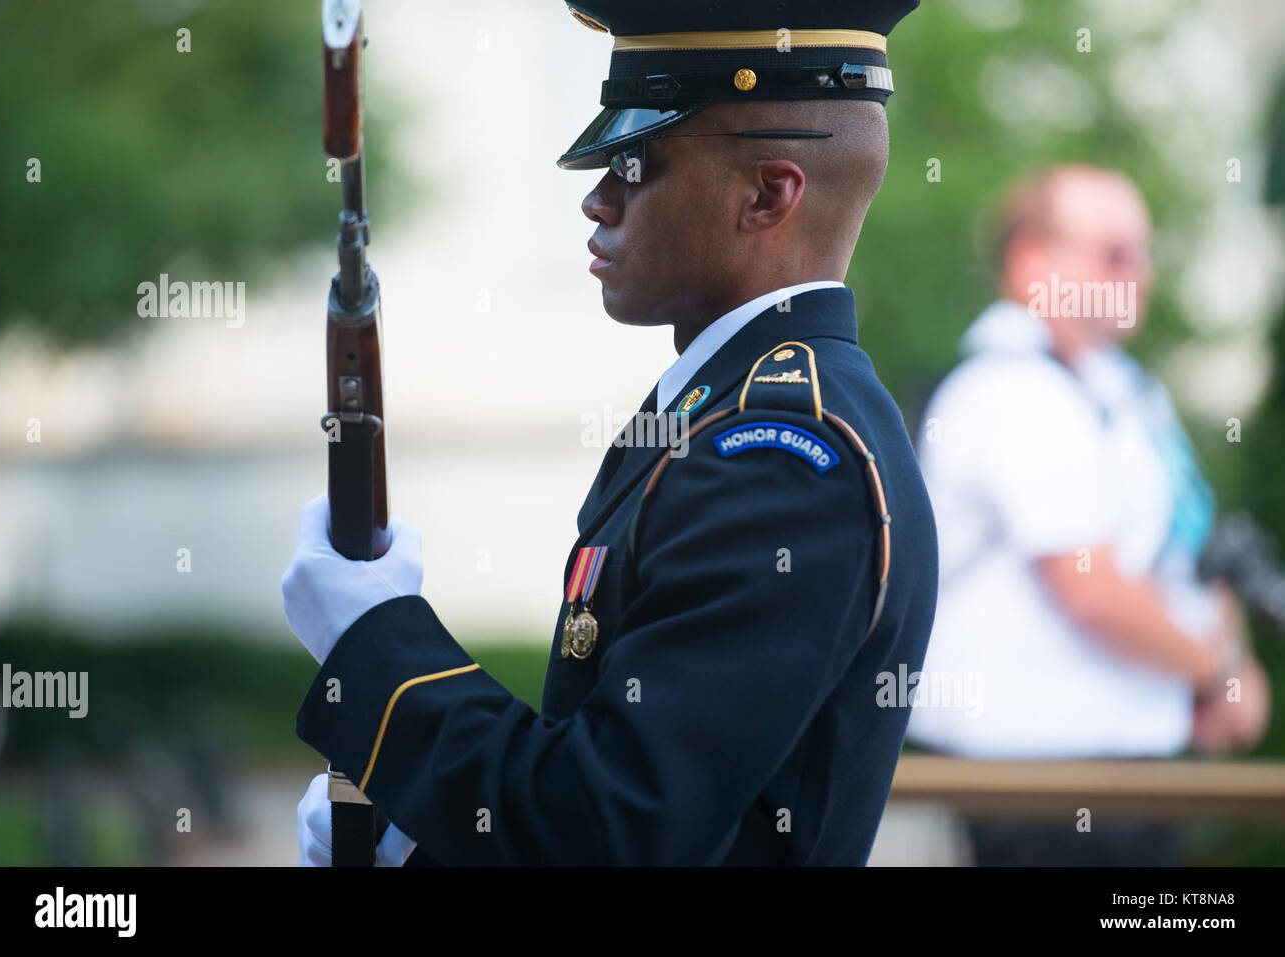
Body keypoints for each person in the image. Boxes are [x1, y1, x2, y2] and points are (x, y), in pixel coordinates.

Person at [285, 0, 938, 866]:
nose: (598, 199)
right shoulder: (727, 411)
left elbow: (609, 829)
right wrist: (418, 841)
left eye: (635, 162)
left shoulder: (781, 455)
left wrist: (379, 642)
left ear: (768, 193)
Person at [906, 165, 1271, 865]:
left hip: (1116, 775)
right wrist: (1218, 668)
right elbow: (1091, 588)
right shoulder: (1011, 388)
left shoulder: (1117, 388)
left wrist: (1225, 659)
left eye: (1144, 250)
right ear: (1032, 261)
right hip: (1038, 786)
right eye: (1113, 251)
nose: (1138, 270)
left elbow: (1183, 554)